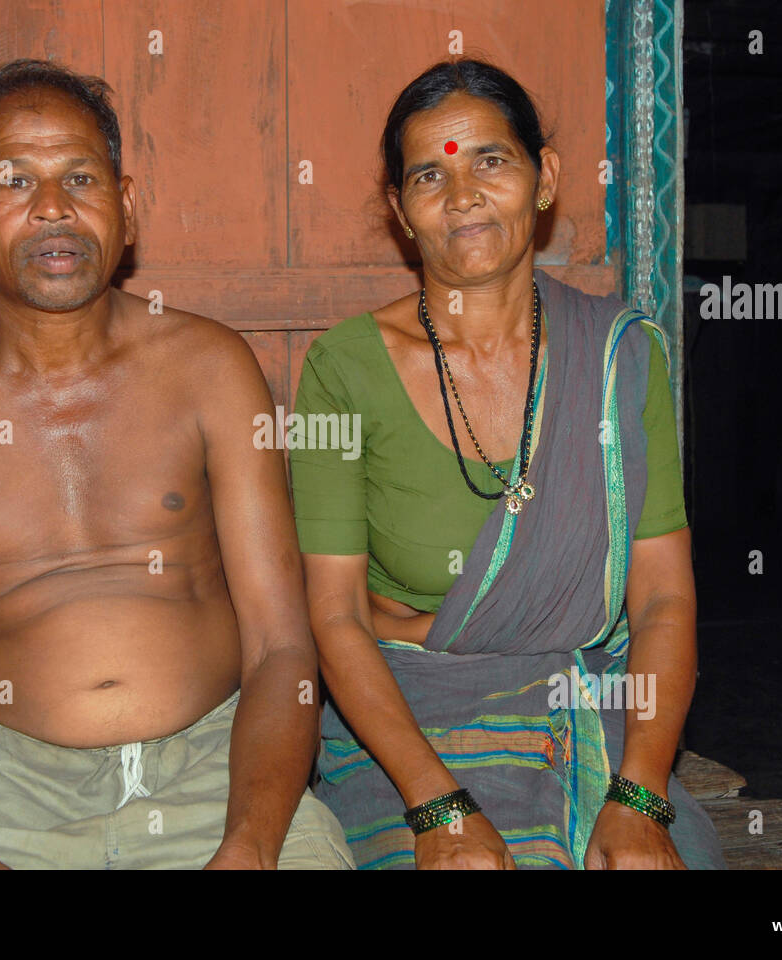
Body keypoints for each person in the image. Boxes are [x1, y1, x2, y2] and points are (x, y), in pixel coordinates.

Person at [0, 59, 351, 870]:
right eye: (15, 181)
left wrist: (250, 845)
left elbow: (282, 649)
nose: (53, 207)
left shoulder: (210, 368)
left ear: (128, 206)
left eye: (80, 176)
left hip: (219, 770)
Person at [290, 59, 726, 870]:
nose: (462, 195)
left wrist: (638, 796)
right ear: (400, 209)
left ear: (545, 178)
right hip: (409, 741)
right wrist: (438, 808)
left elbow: (663, 600)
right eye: (430, 172)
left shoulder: (620, 357)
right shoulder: (343, 370)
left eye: (489, 159)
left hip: (595, 727)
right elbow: (338, 617)